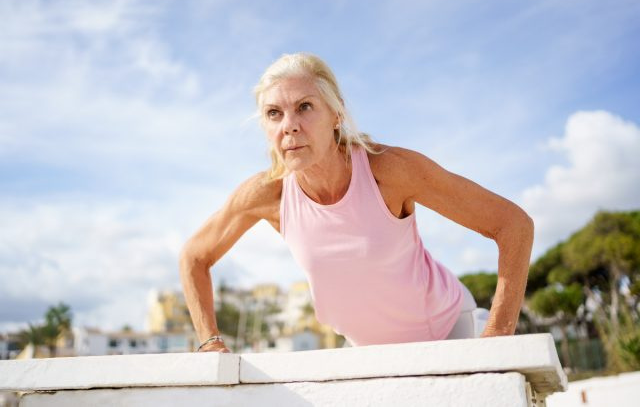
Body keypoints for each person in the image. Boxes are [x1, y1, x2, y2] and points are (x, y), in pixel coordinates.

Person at [179, 53, 534, 353]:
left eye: (305, 107)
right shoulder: (267, 194)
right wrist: (210, 343)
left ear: (336, 114)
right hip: (369, 355)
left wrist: (496, 340)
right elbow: (195, 257)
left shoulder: (390, 172)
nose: (290, 126)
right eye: (274, 113)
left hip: (452, 333)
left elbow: (513, 225)